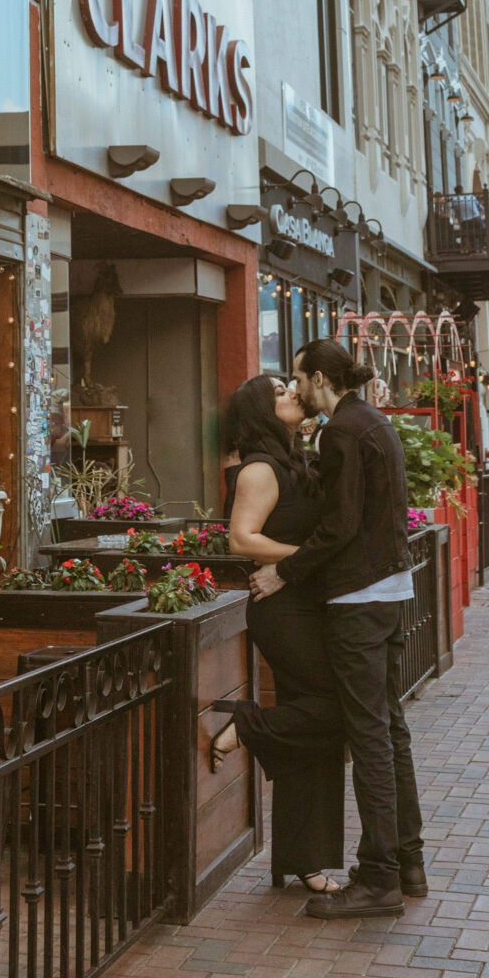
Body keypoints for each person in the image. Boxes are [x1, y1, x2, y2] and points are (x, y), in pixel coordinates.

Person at [251, 339, 424, 920]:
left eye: (298, 378)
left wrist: (284, 571)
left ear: (320, 378)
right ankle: (406, 862)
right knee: (390, 729)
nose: (294, 387)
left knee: (369, 735)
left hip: (357, 597)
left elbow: (343, 523)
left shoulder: (343, 431)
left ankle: (378, 879)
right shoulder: (372, 421)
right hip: (390, 590)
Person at [210, 375, 344, 893]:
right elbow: (241, 540)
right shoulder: (260, 468)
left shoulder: (291, 461)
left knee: (310, 736)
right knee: (336, 705)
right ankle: (247, 726)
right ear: (263, 413)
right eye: (282, 393)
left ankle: (303, 861)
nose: (293, 394)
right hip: (283, 609)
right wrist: (308, 559)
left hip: (303, 602)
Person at [451, 184, 485, 252]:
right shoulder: (471, 197)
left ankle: (473, 248)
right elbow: (481, 208)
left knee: (469, 233)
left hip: (465, 223)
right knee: (483, 229)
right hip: (476, 220)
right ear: (463, 191)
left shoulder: (454, 200)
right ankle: (481, 247)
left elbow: (456, 214)